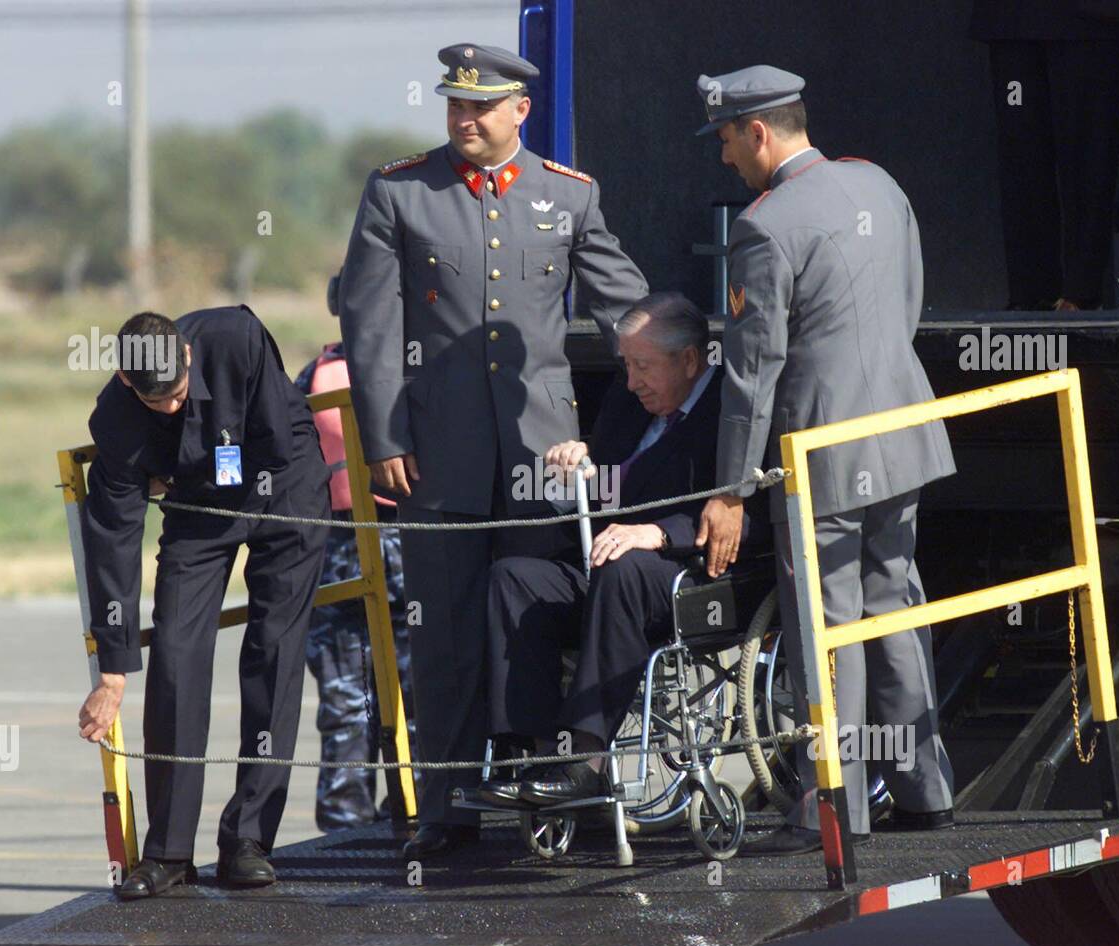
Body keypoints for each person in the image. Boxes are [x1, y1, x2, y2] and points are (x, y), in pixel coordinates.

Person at [337, 42, 648, 860]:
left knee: (534, 626)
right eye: (454, 105)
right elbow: (370, 329)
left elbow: (632, 316)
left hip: (543, 463)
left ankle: (550, 793)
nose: (464, 119)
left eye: (480, 107)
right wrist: (385, 438)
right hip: (437, 458)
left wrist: (692, 374)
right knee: (443, 638)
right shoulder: (400, 192)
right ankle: (444, 809)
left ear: (521, 111)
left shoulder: (568, 196)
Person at [693, 67, 957, 854]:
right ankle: (925, 786)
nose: (726, 159)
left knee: (827, 628)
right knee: (897, 606)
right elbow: (907, 299)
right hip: (903, 428)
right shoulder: (877, 184)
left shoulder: (764, 226)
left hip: (825, 454)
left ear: (761, 132)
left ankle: (834, 805)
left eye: (729, 140)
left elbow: (753, 374)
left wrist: (730, 491)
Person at [77, 306, 331, 898]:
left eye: (177, 395)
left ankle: (247, 839)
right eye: (154, 402)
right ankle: (168, 852)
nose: (169, 408)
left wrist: (195, 475)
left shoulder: (235, 338)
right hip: (198, 503)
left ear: (186, 355)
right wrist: (112, 671)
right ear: (124, 381)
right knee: (174, 651)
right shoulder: (116, 419)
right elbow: (113, 541)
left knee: (273, 648)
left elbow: (269, 438)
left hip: (281, 482)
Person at [483, 292, 766, 806]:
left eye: (642, 366)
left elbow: (756, 515)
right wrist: (580, 461)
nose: (631, 380)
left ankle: (586, 759)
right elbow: (612, 479)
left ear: (688, 360)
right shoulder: (628, 399)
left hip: (689, 571)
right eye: (627, 365)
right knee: (514, 575)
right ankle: (526, 752)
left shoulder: (732, 411)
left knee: (625, 567)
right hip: (609, 558)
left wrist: (657, 533)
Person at [970, 0, 1119, 310]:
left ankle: (1081, 293)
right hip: (1014, 19)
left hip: (1096, 21)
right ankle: (1031, 295)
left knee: (1088, 154)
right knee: (1021, 157)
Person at [295, 297, 414, 830]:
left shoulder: (315, 376)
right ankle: (412, 804)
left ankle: (349, 817)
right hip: (394, 546)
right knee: (409, 694)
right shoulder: (420, 365)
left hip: (345, 549)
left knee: (350, 698)